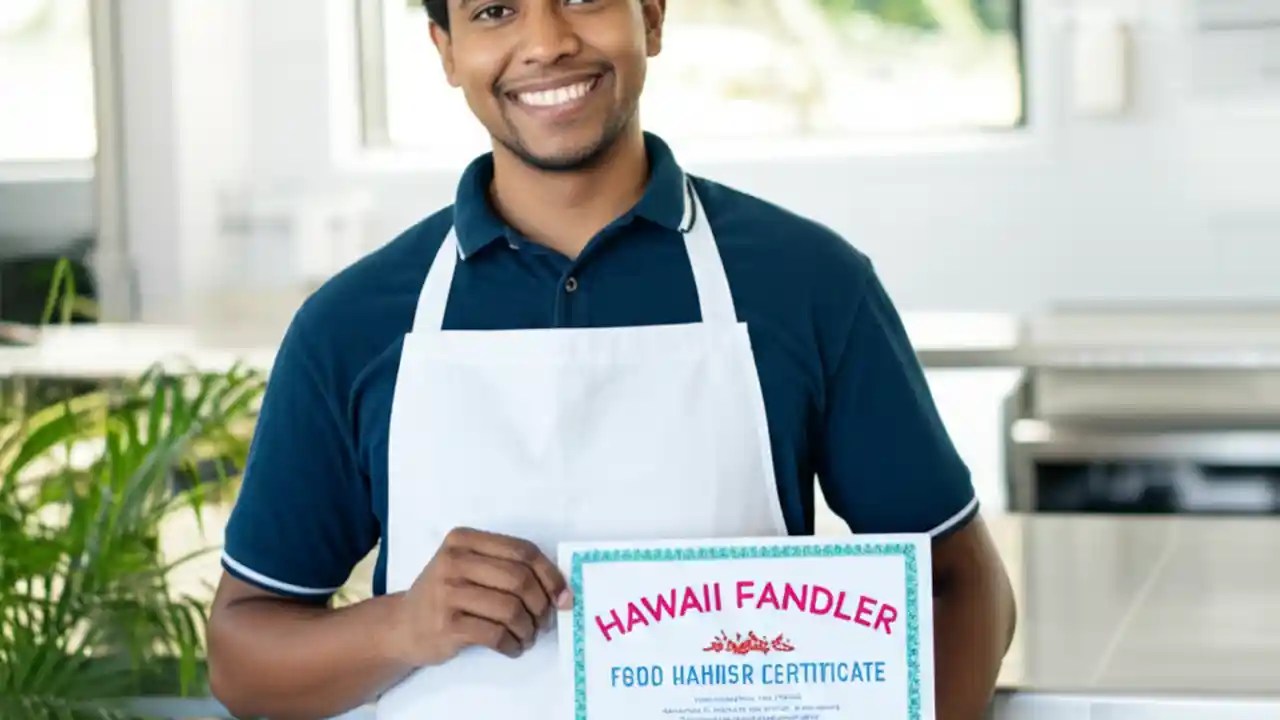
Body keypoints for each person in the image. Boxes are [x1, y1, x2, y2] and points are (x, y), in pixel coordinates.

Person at [206, 0, 1016, 718]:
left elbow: (964, 587)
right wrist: (404, 625)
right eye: (494, 12)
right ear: (446, 51)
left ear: (653, 17)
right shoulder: (351, 324)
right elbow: (242, 659)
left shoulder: (808, 285)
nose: (547, 41)